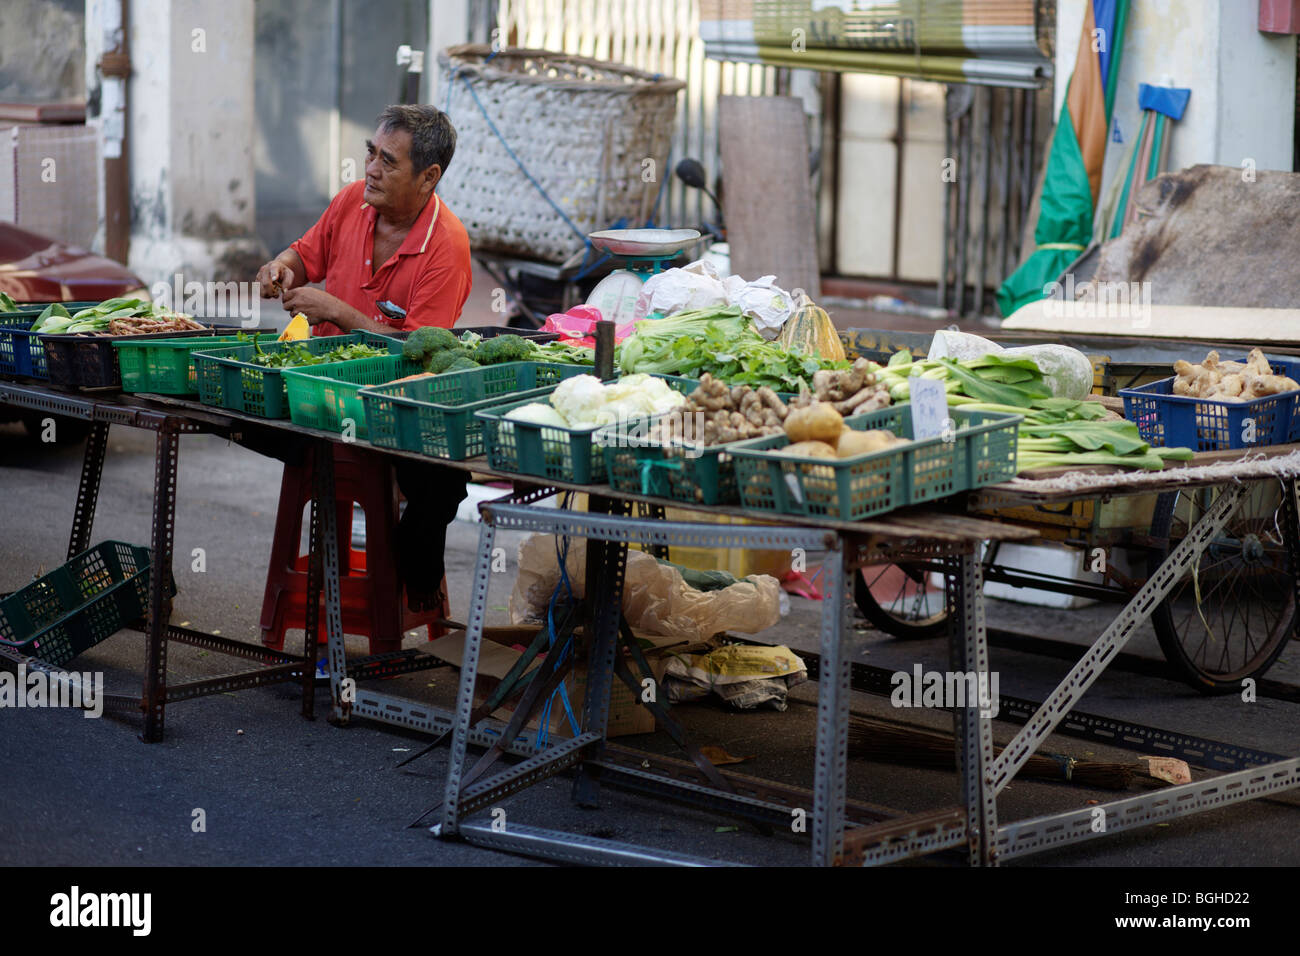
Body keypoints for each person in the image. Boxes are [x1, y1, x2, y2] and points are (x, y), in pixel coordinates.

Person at [255, 104, 471, 617]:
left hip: (388, 404)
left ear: (429, 177)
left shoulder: (447, 247)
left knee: (440, 477)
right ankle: (330, 597)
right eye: (370, 153)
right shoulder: (352, 201)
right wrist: (278, 268)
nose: (370, 169)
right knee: (236, 415)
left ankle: (410, 579)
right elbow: (302, 256)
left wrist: (337, 310)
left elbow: (415, 351)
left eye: (388, 161)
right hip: (316, 395)